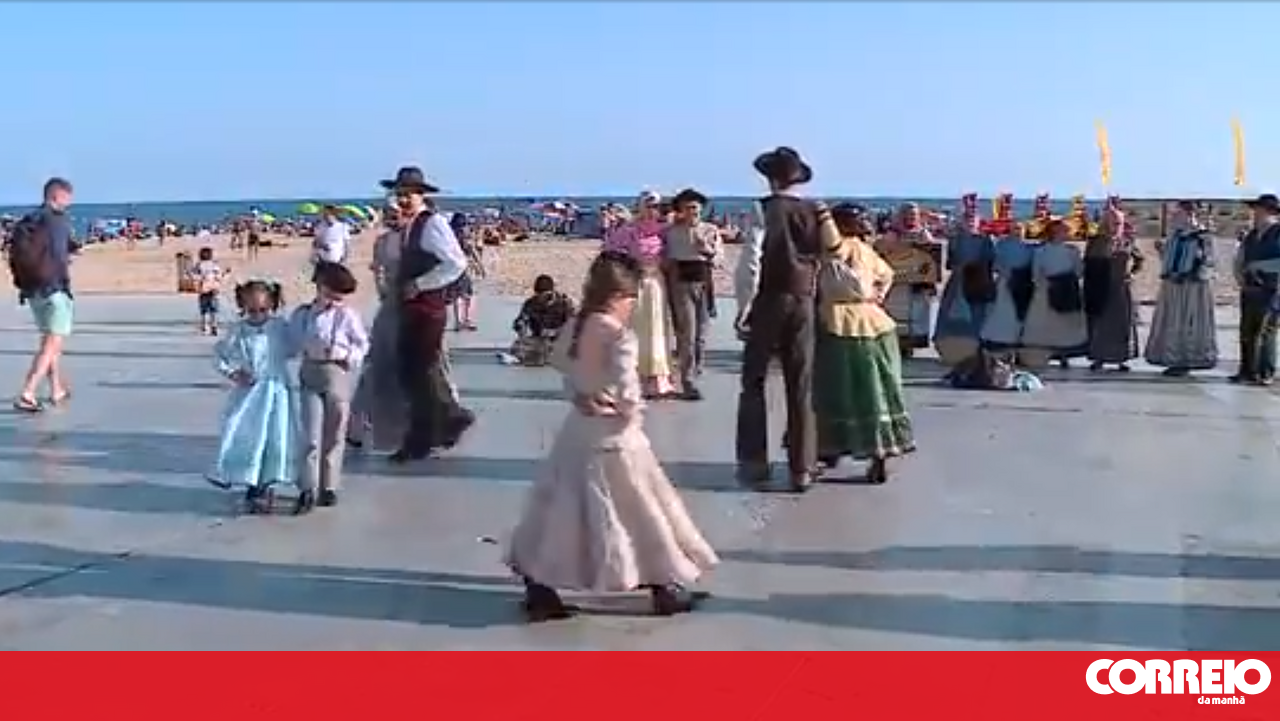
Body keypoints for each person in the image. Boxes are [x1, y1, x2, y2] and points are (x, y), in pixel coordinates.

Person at [505, 252, 717, 623]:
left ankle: (540, 584)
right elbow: (628, 391)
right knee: (641, 510)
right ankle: (663, 586)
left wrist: (581, 394)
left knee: (563, 509)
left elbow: (559, 361)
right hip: (616, 436)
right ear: (621, 296)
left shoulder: (578, 323)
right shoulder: (619, 334)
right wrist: (627, 412)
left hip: (577, 430)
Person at [735, 146, 824, 492]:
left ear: (770, 178)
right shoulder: (813, 211)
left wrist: (744, 306)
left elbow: (751, 261)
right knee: (800, 384)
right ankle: (802, 466)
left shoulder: (763, 209)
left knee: (754, 381)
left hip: (770, 298)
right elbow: (822, 258)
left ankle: (754, 462)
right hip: (803, 299)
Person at [814, 203, 915, 484]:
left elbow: (833, 246)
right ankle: (877, 452)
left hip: (840, 321)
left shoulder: (840, 247)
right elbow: (887, 275)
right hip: (875, 321)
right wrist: (876, 297)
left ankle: (829, 446)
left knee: (835, 388)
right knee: (877, 387)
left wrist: (821, 214)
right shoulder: (866, 250)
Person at [383, 166, 476, 462]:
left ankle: (425, 435)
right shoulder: (409, 227)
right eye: (399, 194)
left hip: (427, 310)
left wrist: (420, 285)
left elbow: (456, 263)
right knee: (417, 373)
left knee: (418, 372)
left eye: (408, 194)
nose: (403, 199)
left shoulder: (432, 223)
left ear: (421, 195)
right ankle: (445, 422)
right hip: (411, 309)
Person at [209, 280, 299, 514]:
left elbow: (295, 348)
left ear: (272, 305)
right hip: (250, 394)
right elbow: (220, 355)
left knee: (275, 436)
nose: (258, 315)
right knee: (246, 435)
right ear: (243, 307)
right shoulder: (238, 330)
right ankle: (247, 479)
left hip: (277, 391)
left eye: (263, 310)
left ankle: (268, 482)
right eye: (252, 310)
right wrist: (234, 373)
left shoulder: (280, 327)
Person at [290, 262, 369, 514]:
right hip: (310, 371)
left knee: (335, 432)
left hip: (337, 371)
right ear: (321, 287)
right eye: (334, 293)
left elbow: (361, 344)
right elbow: (292, 342)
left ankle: (329, 486)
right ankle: (307, 487)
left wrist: (348, 355)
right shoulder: (303, 314)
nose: (338, 299)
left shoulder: (347, 315)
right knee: (310, 435)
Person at [602, 191, 677, 399]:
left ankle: (657, 380)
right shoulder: (630, 230)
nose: (653, 211)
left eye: (656, 206)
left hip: (657, 284)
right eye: (649, 206)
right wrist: (629, 267)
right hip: (636, 284)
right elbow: (609, 251)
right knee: (635, 329)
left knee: (656, 329)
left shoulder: (664, 230)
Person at [11, 177, 76, 413]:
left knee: (50, 340)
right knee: (52, 343)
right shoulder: (56, 221)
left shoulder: (30, 220)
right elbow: (61, 254)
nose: (69, 203)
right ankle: (28, 392)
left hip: (32, 289)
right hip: (54, 288)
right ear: (57, 196)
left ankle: (56, 387)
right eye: (68, 198)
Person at [348, 206, 410, 451]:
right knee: (378, 362)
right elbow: (378, 271)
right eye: (389, 214)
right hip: (394, 305)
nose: (393, 218)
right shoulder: (384, 241)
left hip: (414, 306)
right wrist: (383, 291)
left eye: (396, 213)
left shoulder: (417, 238)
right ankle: (357, 423)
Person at [1145, 201, 1218, 376]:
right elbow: (1171, 260)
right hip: (1173, 286)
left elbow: (1209, 261)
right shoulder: (1175, 236)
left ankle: (1188, 359)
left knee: (1188, 321)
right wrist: (1162, 252)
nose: (1173, 218)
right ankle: (1173, 358)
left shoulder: (1202, 236)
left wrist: (1195, 270)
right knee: (1173, 321)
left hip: (1192, 287)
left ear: (1188, 214)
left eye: (1177, 214)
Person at [662, 187, 721, 401]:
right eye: (687, 207)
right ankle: (687, 380)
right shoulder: (671, 232)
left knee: (702, 334)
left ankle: (697, 369)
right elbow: (663, 256)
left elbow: (718, 260)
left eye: (696, 207)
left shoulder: (710, 229)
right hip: (680, 282)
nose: (693, 211)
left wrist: (706, 248)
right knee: (687, 332)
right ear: (680, 210)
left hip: (704, 281)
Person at [933, 195, 995, 366]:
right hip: (957, 281)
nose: (969, 223)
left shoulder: (985, 240)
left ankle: (977, 348)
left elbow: (990, 262)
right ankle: (952, 349)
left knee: (977, 315)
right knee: (950, 314)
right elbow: (948, 263)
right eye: (966, 219)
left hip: (977, 281)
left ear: (978, 222)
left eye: (972, 220)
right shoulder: (954, 240)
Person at [1083, 203, 1143, 372]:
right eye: (1111, 222)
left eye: (1118, 223)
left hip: (1121, 288)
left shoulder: (1127, 242)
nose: (1115, 226)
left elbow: (1139, 259)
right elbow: (1087, 264)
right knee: (1100, 323)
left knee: (1122, 323)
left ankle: (1121, 358)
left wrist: (1132, 273)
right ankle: (1099, 356)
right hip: (1102, 286)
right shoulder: (1096, 242)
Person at [1021, 218, 1088, 368]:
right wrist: (1044, 285)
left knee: (1064, 324)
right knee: (1045, 324)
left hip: (1067, 289)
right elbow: (1036, 273)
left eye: (1066, 231)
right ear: (1053, 232)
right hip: (1046, 289)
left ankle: (1064, 354)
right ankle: (1046, 352)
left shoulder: (1072, 251)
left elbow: (1079, 271)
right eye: (1062, 230)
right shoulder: (1041, 251)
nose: (1065, 233)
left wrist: (1068, 280)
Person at [877, 203, 939, 356]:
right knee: (897, 313)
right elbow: (882, 251)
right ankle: (896, 344)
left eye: (914, 215)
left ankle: (911, 344)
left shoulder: (923, 233)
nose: (911, 218)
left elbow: (931, 256)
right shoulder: (892, 233)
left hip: (917, 283)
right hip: (897, 282)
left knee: (917, 314)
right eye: (908, 214)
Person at [1233, 193, 1280, 385]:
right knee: (1247, 331)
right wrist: (1240, 275)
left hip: (1272, 289)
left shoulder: (1278, 233)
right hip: (1250, 289)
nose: (1255, 213)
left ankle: (1265, 371)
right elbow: (1241, 258)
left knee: (1266, 331)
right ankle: (1247, 370)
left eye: (1258, 209)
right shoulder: (1252, 235)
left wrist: (1260, 267)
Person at [979, 225, 1036, 355]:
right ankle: (995, 342)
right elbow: (996, 265)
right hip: (1005, 282)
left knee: (1019, 316)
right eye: (1015, 229)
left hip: (1023, 284)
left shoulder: (1029, 248)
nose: (1018, 232)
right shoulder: (1002, 245)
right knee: (1001, 313)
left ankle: (1016, 344)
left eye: (1020, 229)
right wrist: (1005, 273)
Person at [509, 274, 575, 366]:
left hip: (559, 342)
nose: (542, 298)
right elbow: (520, 320)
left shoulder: (564, 303)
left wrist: (553, 332)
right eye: (539, 295)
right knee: (517, 348)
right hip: (538, 341)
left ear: (552, 292)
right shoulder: (530, 303)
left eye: (545, 295)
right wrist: (520, 325)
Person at [447, 212, 479, 331]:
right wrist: (480, 267)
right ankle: (467, 320)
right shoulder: (464, 236)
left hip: (451, 268)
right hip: (462, 268)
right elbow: (472, 251)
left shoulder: (449, 237)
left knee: (457, 296)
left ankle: (458, 322)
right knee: (468, 295)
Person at [190, 246, 227, 336]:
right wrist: (225, 274)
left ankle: (205, 326)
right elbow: (219, 277)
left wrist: (190, 275)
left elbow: (195, 276)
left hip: (203, 290)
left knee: (204, 310)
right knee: (213, 310)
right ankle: (214, 325)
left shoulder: (198, 265)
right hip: (214, 290)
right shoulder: (215, 265)